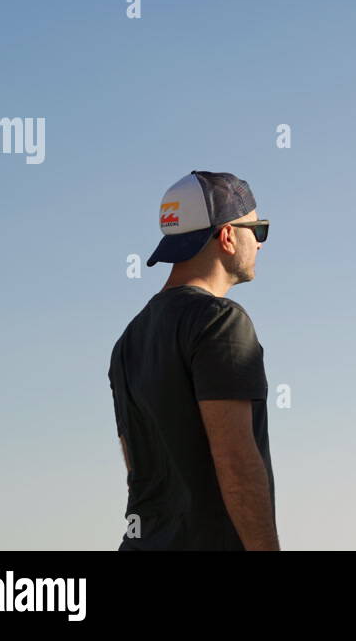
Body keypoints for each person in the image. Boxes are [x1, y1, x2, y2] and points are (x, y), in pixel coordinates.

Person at [108, 170, 279, 550]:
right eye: (259, 230)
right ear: (227, 236)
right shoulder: (220, 321)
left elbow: (137, 472)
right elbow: (236, 462)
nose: (262, 244)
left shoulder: (128, 341)